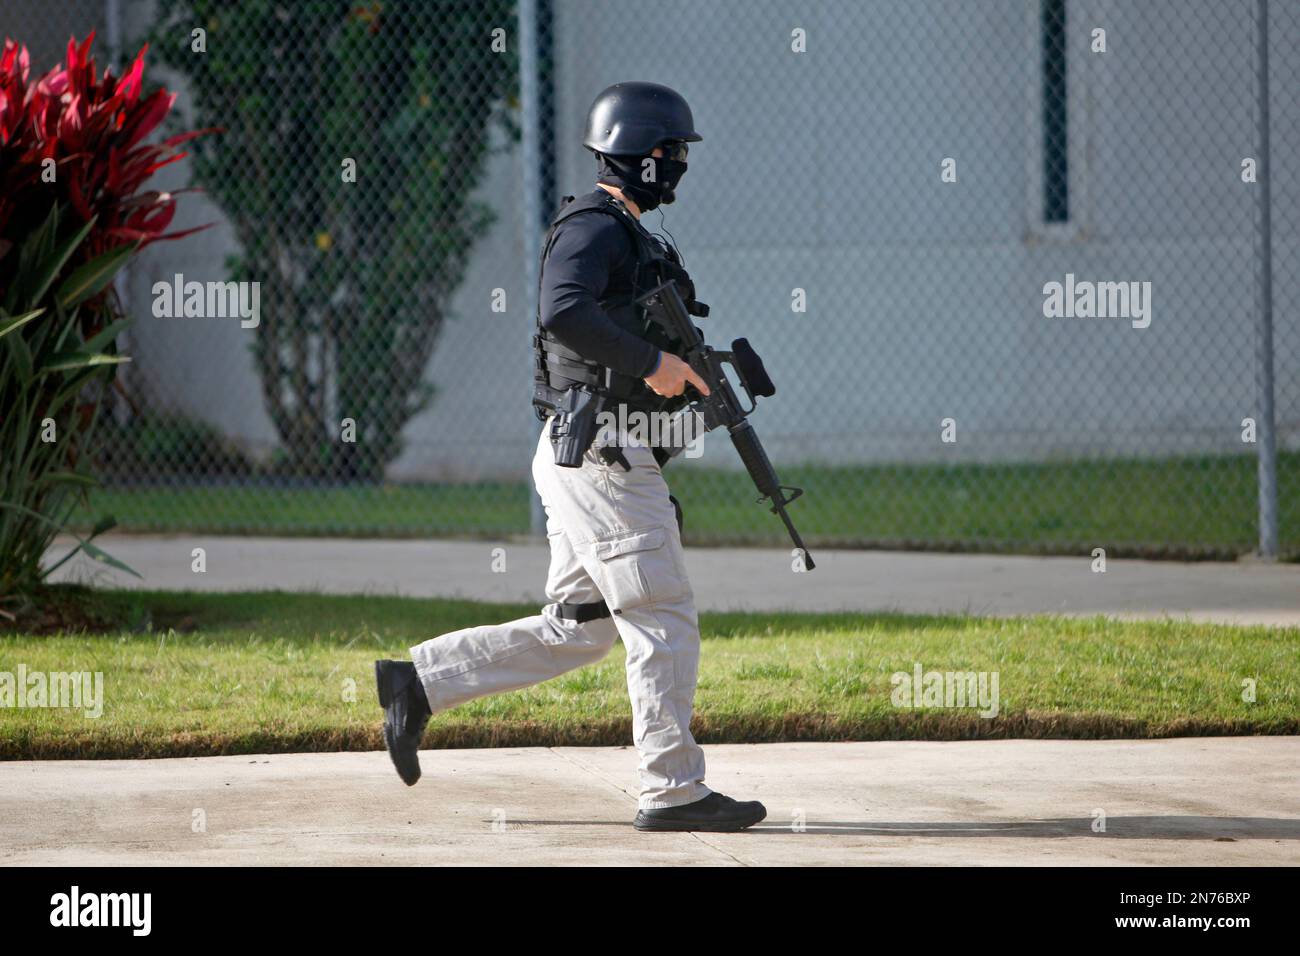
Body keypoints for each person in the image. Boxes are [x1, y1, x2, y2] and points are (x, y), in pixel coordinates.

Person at [375, 82, 766, 833]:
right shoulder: (595, 228)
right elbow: (563, 309)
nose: (680, 164)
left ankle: (417, 683)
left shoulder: (632, 232)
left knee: (583, 625)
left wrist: (685, 384)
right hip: (600, 453)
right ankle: (673, 789)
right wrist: (654, 361)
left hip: (595, 452)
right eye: (673, 152)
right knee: (660, 612)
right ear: (643, 155)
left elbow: (615, 332)